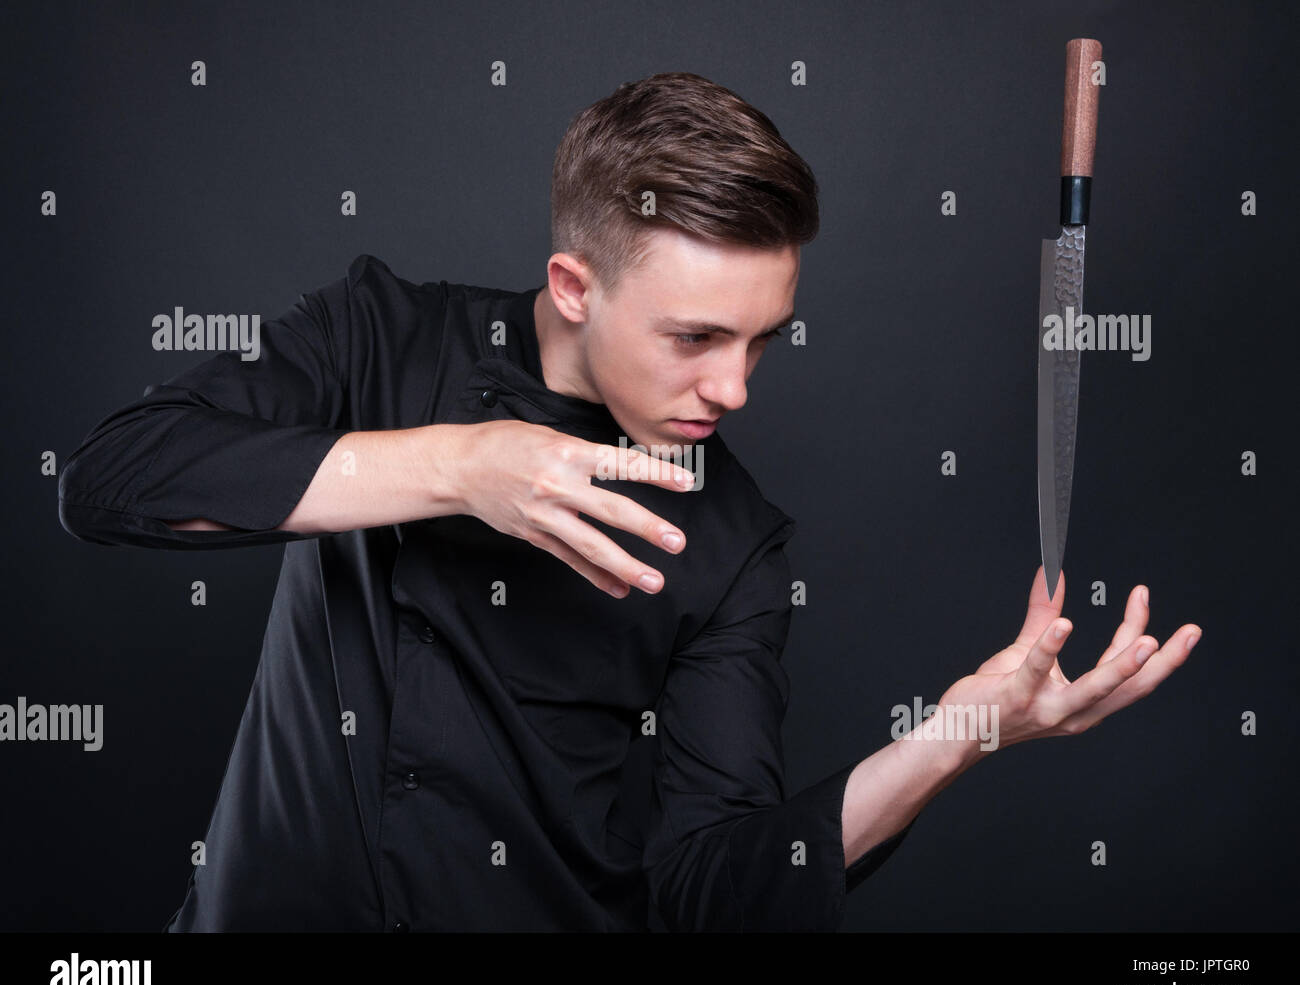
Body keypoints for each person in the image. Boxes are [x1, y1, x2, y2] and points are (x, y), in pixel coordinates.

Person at [57, 71, 1201, 932]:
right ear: (574, 285)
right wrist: (458, 466)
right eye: (695, 338)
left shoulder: (736, 541)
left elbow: (709, 890)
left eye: (763, 339)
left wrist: (957, 737)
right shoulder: (378, 336)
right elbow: (114, 479)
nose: (734, 388)